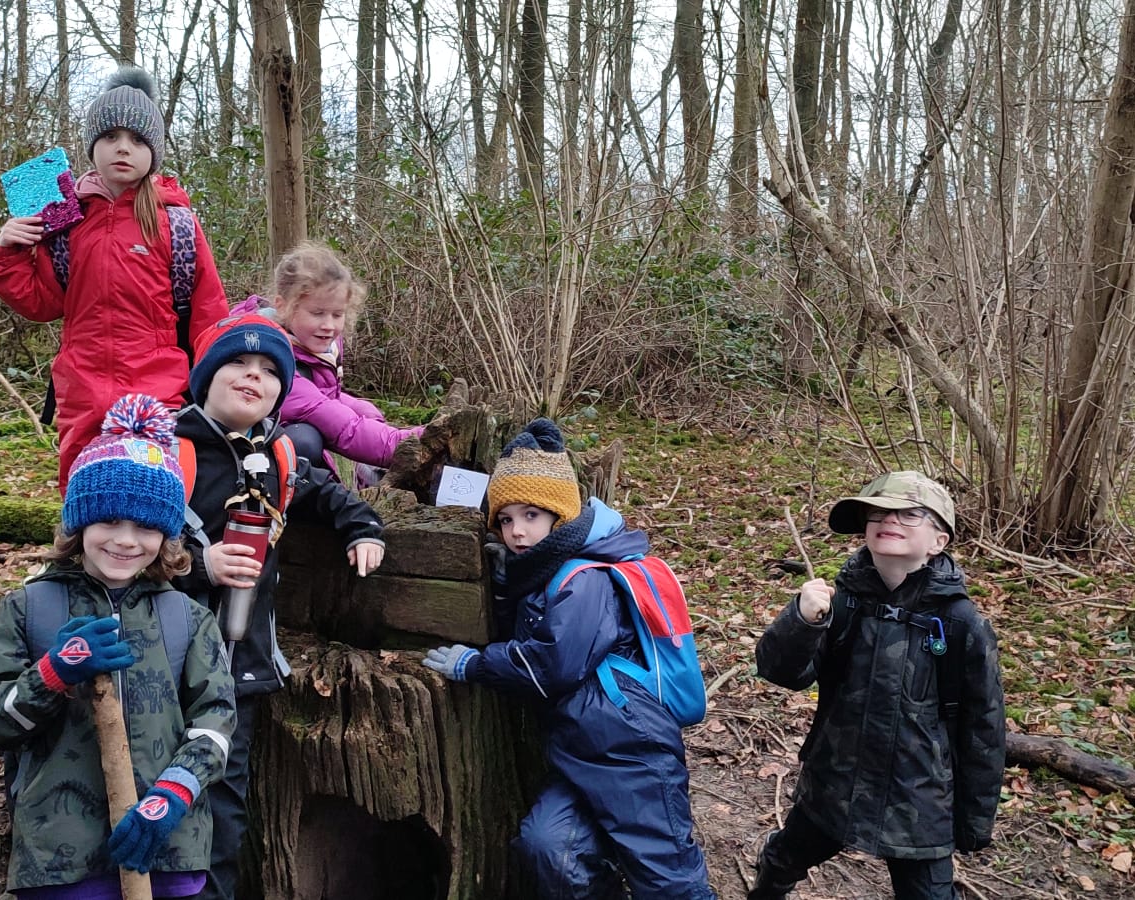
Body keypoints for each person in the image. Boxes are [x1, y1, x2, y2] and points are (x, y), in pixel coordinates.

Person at [420, 419, 716, 900]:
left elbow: (556, 662)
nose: (517, 531)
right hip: (578, 751)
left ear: (561, 516)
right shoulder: (542, 574)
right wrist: (503, 588)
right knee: (549, 847)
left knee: (668, 880)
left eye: (531, 515)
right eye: (505, 519)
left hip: (629, 750)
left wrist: (475, 665)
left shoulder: (585, 578)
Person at [0, 393, 237, 898]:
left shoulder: (187, 618)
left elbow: (217, 721)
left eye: (146, 527)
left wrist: (174, 793)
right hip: (61, 857)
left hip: (168, 849)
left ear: (167, 535)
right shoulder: (27, 609)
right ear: (80, 522)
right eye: (109, 521)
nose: (126, 540)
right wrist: (53, 673)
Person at [167, 313, 388, 900]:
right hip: (163, 664)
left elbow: (331, 495)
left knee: (224, 801)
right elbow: (123, 543)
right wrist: (199, 563)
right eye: (237, 363)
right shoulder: (168, 451)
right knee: (157, 789)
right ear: (205, 377)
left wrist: (364, 529)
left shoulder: (280, 457)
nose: (253, 376)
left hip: (239, 668)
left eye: (269, 371)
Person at [749, 472, 1006, 900]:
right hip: (835, 786)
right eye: (878, 512)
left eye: (910, 513)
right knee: (784, 858)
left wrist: (974, 822)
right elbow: (782, 673)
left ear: (939, 541)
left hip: (920, 804)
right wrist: (803, 620)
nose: (889, 519)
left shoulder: (962, 625)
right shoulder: (842, 602)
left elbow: (984, 730)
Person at [0, 65, 231, 491]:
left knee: (152, 490)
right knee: (82, 492)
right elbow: (42, 303)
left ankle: (155, 538)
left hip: (158, 388)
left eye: (137, 140)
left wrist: (218, 385)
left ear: (154, 151)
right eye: (111, 136)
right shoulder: (63, 219)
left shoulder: (177, 223)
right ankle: (78, 537)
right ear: (92, 145)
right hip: (81, 387)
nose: (123, 148)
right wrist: (8, 252)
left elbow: (209, 313)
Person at [227, 242, 420, 486]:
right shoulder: (266, 358)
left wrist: (364, 411)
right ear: (283, 306)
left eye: (337, 314)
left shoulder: (311, 342)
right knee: (305, 440)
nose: (329, 325)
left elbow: (326, 396)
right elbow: (338, 424)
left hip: (292, 424)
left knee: (363, 411)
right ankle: (296, 500)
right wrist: (418, 442)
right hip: (247, 456)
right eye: (317, 313)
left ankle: (360, 478)